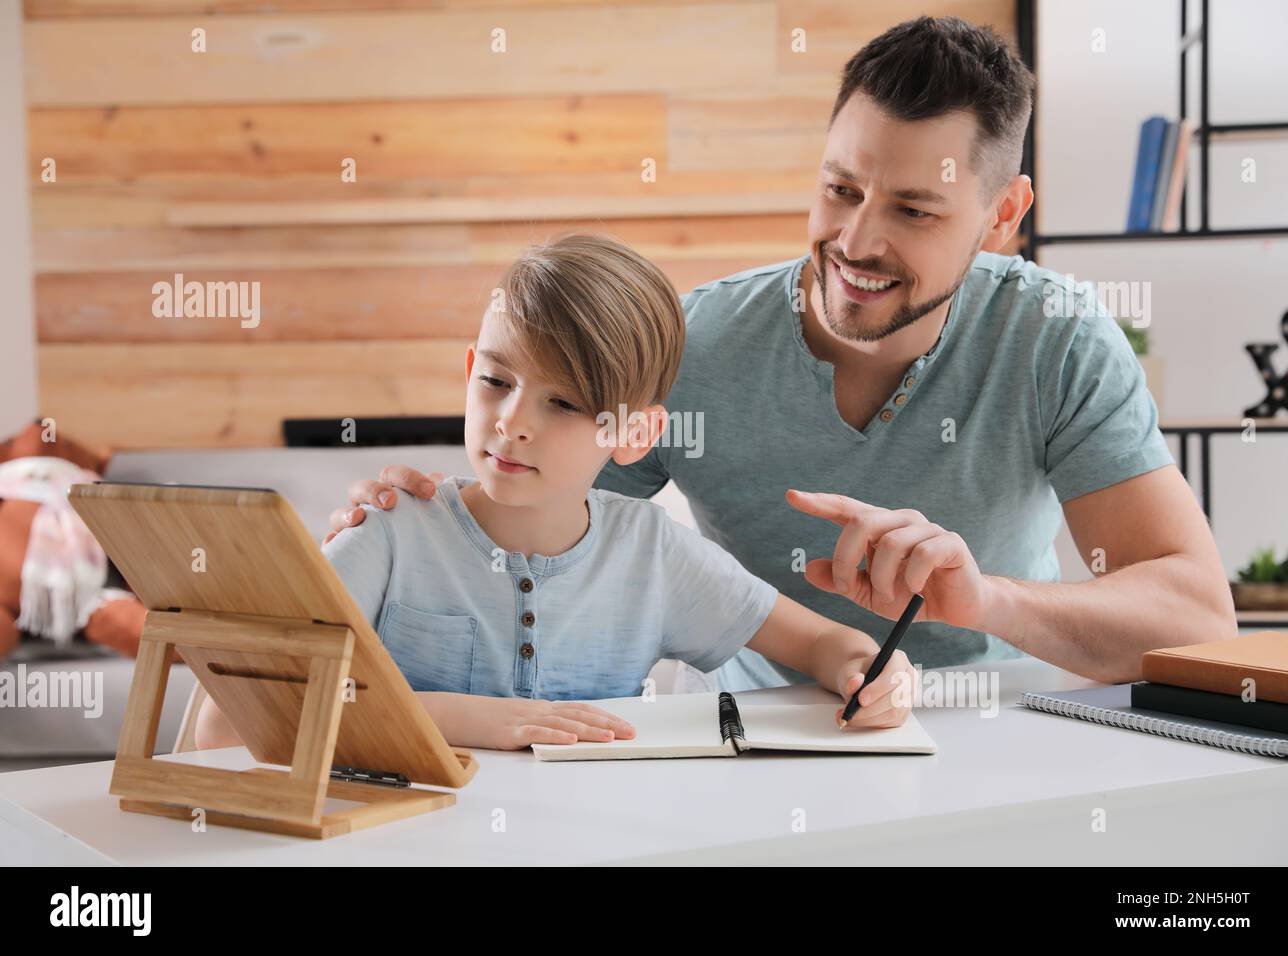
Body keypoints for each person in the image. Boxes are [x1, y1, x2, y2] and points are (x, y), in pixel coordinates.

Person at [329, 16, 1234, 693]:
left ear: (1003, 217)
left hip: (993, 712)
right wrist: (418, 529)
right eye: (840, 189)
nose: (856, 241)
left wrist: (987, 602)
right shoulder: (696, 344)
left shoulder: (1057, 338)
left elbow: (1197, 620)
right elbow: (556, 539)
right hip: (759, 741)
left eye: (914, 211)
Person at [195, 235, 916, 753]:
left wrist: (869, 671)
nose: (512, 423)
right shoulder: (388, 531)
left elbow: (822, 642)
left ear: (635, 433)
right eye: (497, 382)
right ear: (469, 369)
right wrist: (468, 719)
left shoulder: (651, 552)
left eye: (563, 403)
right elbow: (241, 714)